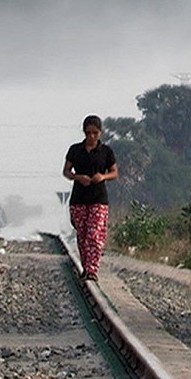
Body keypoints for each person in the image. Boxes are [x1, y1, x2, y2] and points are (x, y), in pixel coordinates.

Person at [63, 115, 118, 281]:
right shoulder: (75, 150)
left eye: (95, 133)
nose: (92, 136)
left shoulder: (106, 152)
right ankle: (86, 267)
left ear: (100, 133)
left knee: (94, 234)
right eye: (88, 133)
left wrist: (102, 177)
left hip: (98, 199)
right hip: (79, 199)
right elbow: (66, 171)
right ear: (84, 132)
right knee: (83, 235)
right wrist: (78, 177)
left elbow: (114, 172)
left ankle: (92, 269)